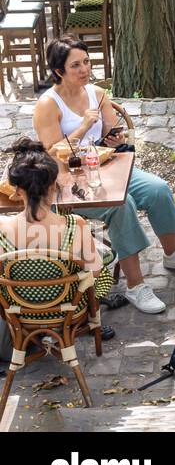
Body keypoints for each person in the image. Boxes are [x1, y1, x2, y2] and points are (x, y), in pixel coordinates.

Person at [33, 37, 175, 314]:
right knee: (122, 205)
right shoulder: (48, 104)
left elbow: (110, 135)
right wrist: (84, 126)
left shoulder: (97, 93)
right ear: (59, 71)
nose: (84, 69)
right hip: (68, 180)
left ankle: (173, 255)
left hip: (106, 166)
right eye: (75, 65)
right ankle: (136, 285)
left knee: (158, 188)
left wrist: (115, 138)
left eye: (86, 62)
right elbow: (54, 154)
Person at [1, 138, 114, 338]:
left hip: (21, 310)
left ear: (17, 190)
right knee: (103, 272)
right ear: (54, 185)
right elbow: (94, 271)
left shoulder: (1, 228)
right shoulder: (74, 224)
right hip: (69, 308)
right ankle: (88, 322)